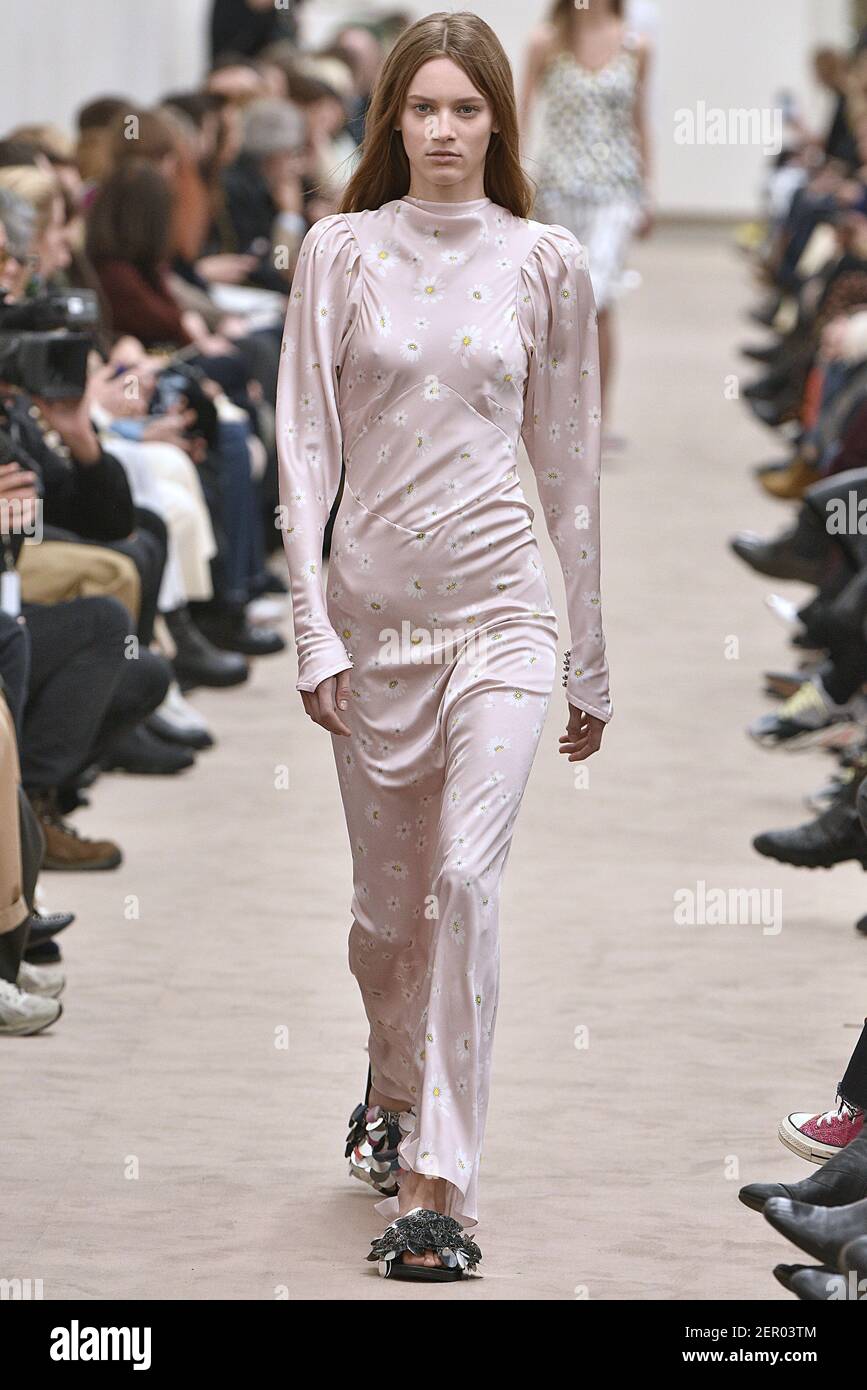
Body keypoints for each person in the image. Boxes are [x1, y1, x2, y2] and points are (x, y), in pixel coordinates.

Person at [276, 9, 612, 1282]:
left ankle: (438, 1179)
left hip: (503, 613)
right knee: (387, 919)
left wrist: (587, 652)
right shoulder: (340, 251)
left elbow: (571, 467)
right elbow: (306, 449)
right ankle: (391, 1067)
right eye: (423, 109)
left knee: (467, 879)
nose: (445, 131)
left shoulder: (545, 261)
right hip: (374, 625)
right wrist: (312, 630)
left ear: (496, 123)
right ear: (393, 123)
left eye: (467, 110)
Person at [519, 0, 652, 431]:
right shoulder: (546, 42)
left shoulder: (636, 45)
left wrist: (648, 191)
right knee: (558, 301)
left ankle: (598, 416)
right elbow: (521, 113)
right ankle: (552, 408)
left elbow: (638, 119)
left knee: (599, 296)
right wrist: (514, 175)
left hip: (615, 190)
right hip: (557, 189)